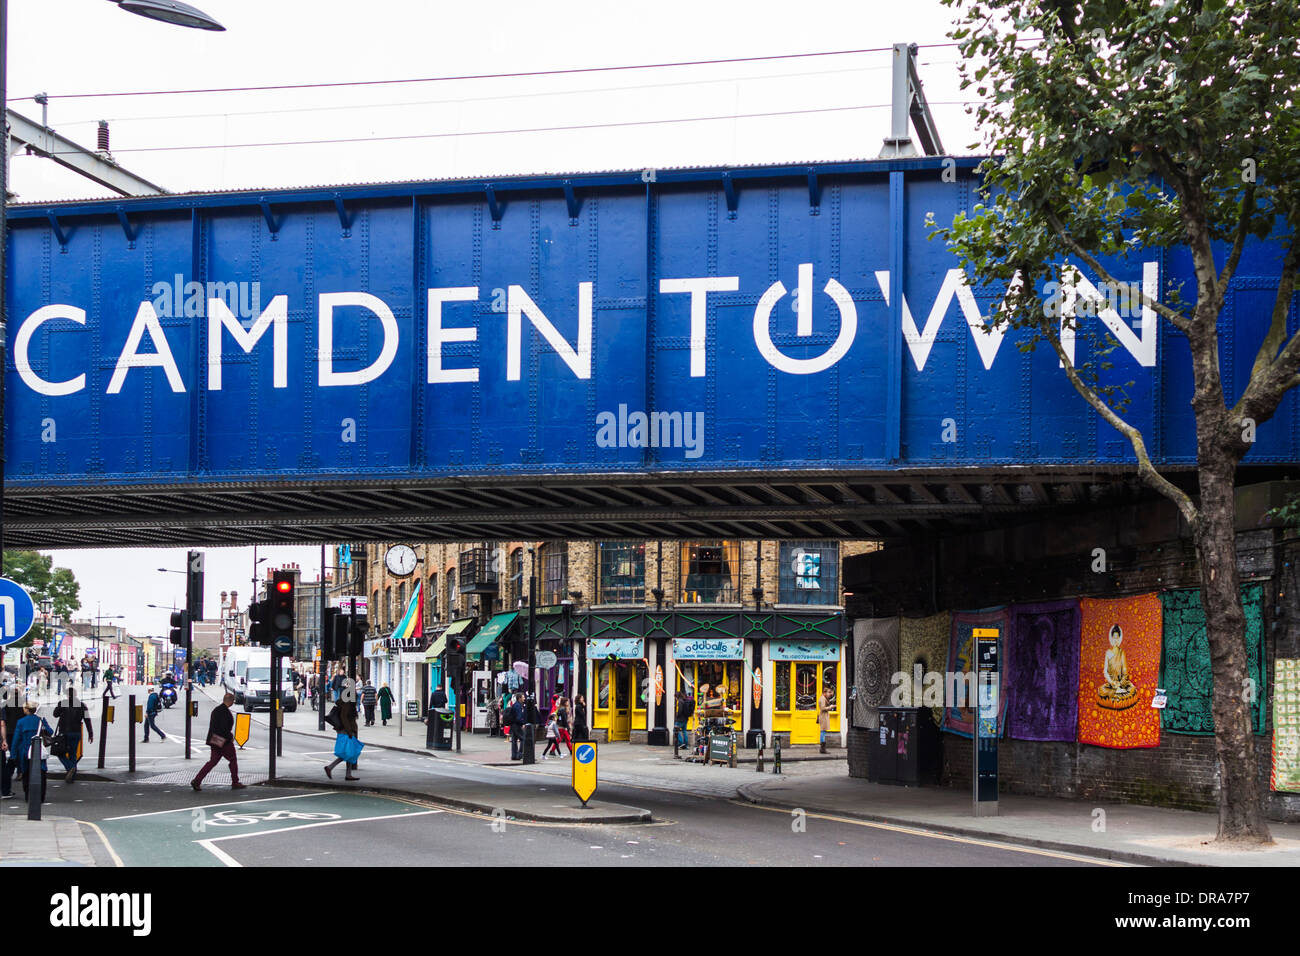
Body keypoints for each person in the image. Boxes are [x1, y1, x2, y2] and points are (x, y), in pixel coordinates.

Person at [191, 693, 244, 792]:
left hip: (214, 739)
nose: (233, 702)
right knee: (233, 759)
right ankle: (235, 782)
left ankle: (197, 780)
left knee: (213, 761)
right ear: (231, 701)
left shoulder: (216, 710)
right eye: (233, 701)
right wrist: (230, 737)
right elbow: (224, 728)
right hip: (223, 741)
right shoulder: (224, 712)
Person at [12, 701, 54, 804]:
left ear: (26, 710)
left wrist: (13, 754)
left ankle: (28, 795)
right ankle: (41, 797)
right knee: (41, 773)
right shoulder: (40, 720)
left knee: (26, 773)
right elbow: (50, 732)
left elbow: (16, 739)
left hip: (25, 751)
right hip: (38, 750)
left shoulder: (21, 722)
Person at [51, 688, 94, 782]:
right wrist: (90, 733)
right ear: (76, 694)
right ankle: (72, 777)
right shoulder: (82, 705)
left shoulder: (63, 703)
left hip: (64, 733)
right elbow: (87, 720)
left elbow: (55, 714)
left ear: (66, 694)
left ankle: (70, 768)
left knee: (59, 752)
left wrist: (60, 705)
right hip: (76, 733)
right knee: (73, 754)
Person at [324, 685, 361, 781]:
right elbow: (344, 717)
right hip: (346, 730)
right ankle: (330, 767)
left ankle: (348, 774)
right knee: (347, 753)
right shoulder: (347, 704)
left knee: (350, 752)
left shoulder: (345, 703)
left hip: (347, 730)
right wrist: (349, 731)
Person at [0, 687, 26, 799]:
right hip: (18, 731)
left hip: (10, 731)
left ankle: (14, 769)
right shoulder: (24, 704)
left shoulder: (6, 704)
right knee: (17, 753)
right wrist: (3, 740)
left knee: (12, 754)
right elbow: (2, 724)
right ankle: (19, 771)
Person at [506, 693, 525, 760]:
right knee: (523, 739)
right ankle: (519, 754)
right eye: (523, 697)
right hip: (517, 725)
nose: (524, 698)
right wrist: (523, 723)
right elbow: (518, 717)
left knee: (514, 740)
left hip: (513, 725)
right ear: (519, 698)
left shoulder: (515, 705)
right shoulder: (518, 706)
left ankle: (514, 755)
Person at [817, 684, 831, 754]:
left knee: (823, 732)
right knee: (823, 732)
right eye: (828, 692)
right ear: (824, 692)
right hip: (823, 717)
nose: (829, 694)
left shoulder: (823, 698)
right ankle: (822, 749)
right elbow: (822, 708)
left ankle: (823, 748)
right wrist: (830, 707)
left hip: (824, 716)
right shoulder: (822, 698)